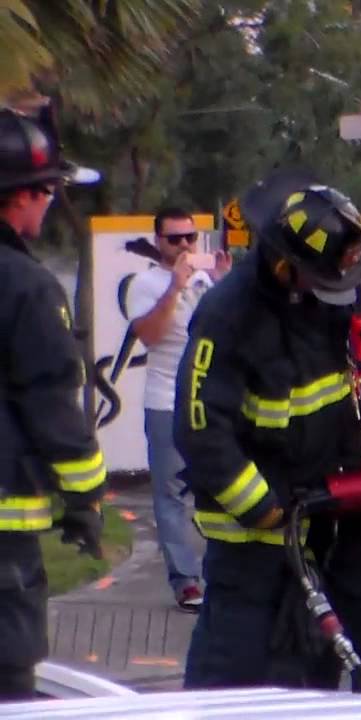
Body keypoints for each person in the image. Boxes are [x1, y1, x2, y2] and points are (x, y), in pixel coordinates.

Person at [174, 170, 361, 697]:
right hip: (258, 538)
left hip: (346, 511)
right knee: (245, 679)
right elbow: (201, 430)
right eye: (322, 285)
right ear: (284, 267)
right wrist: (264, 507)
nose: (340, 297)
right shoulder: (229, 317)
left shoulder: (358, 270)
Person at [0, 106, 106, 699]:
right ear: (19, 196)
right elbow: (54, 410)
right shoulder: (27, 287)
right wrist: (86, 497)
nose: (49, 204)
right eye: (47, 191)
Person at [125, 207, 231, 612]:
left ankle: (221, 573)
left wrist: (222, 285)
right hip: (167, 401)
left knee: (220, 488)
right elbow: (150, 336)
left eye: (191, 237)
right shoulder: (146, 283)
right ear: (159, 242)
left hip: (211, 400)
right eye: (175, 239)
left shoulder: (208, 282)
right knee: (170, 494)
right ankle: (186, 581)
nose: (186, 245)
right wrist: (175, 287)